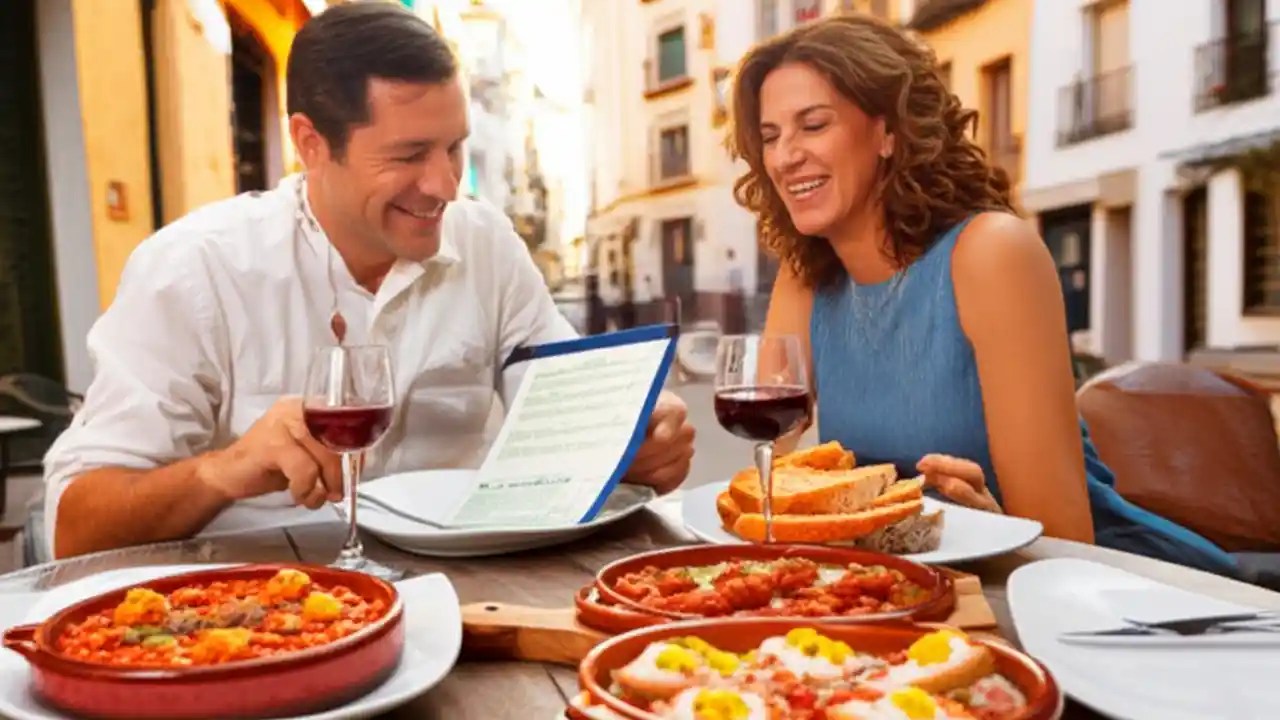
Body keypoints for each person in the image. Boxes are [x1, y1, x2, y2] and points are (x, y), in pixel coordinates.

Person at [43, 2, 695, 560]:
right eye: (409, 155)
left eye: (455, 147)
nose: (445, 185)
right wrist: (223, 471)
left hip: (474, 592)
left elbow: (567, 411)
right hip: (262, 615)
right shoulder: (194, 269)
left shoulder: (487, 243)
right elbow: (75, 528)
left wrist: (638, 436)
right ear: (311, 143)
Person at [728, 14, 1240, 577]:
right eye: (771, 136)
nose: (784, 156)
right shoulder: (806, 275)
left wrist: (988, 526)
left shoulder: (992, 253)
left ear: (887, 132)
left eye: (813, 125)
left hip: (1098, 586)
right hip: (916, 578)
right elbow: (769, 487)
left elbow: (1066, 539)